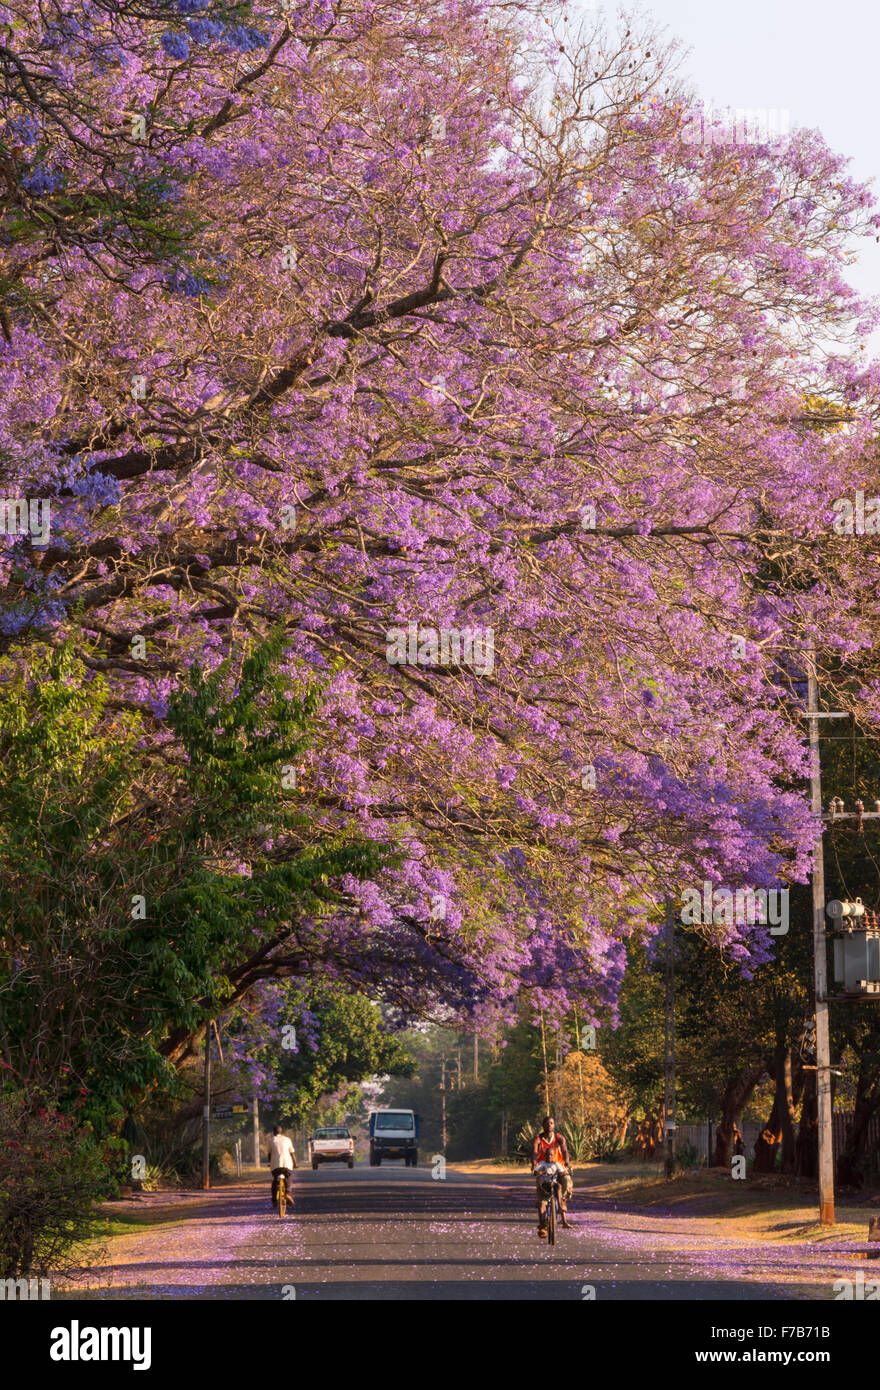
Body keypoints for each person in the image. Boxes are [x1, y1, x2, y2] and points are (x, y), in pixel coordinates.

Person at [532, 1115, 574, 1237]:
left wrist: (567, 1163)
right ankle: (542, 1226)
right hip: (543, 1171)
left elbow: (565, 1151)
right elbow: (534, 1153)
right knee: (542, 1201)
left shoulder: (559, 1138)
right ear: (543, 1125)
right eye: (547, 1123)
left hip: (558, 1169)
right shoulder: (538, 1139)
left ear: (554, 1125)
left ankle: (563, 1200)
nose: (549, 1125)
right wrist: (534, 1165)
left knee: (566, 1180)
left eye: (551, 1123)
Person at [267, 1124, 297, 1209]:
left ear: (273, 1132)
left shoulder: (271, 1140)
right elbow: (292, 1153)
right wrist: (295, 1164)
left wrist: (270, 1163)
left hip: (275, 1166)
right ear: (281, 1132)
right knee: (288, 1178)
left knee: (275, 1181)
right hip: (287, 1165)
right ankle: (287, 1193)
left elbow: (269, 1154)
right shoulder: (287, 1139)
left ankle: (274, 1201)